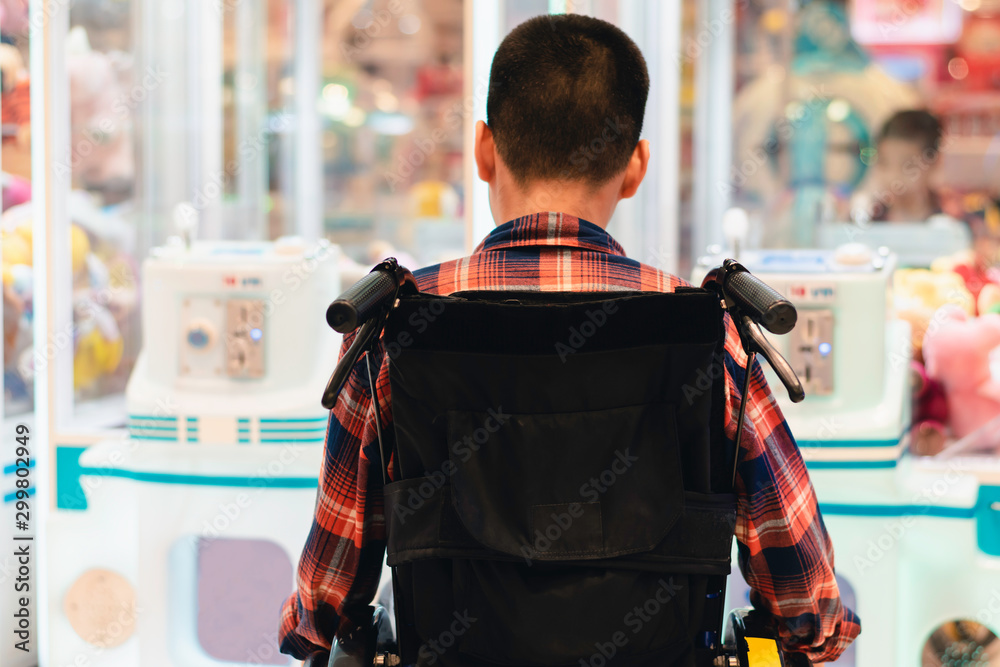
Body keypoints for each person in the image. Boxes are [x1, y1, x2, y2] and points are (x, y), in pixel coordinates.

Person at [279, 14, 860, 664]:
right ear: (636, 166)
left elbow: (328, 588)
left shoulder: (393, 326)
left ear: (483, 151)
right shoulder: (706, 331)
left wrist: (309, 623)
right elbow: (804, 594)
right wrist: (819, 630)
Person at [869, 109, 945, 222]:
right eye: (884, 163)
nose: (893, 177)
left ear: (934, 162)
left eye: (908, 167)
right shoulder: (870, 221)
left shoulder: (952, 224)